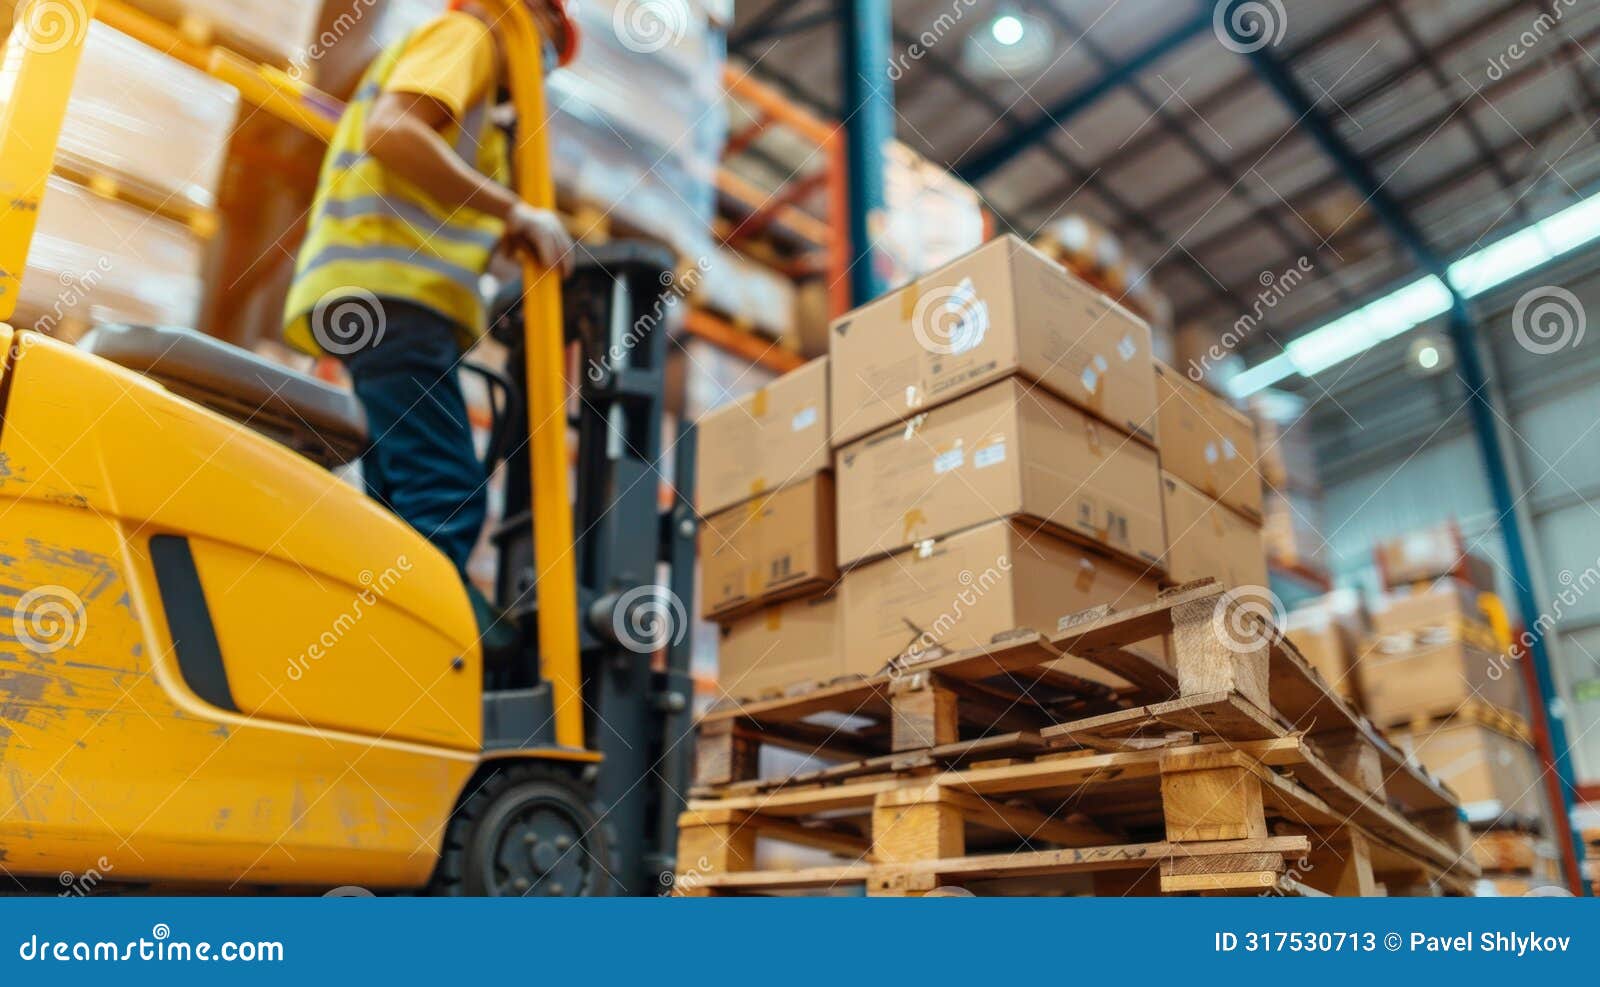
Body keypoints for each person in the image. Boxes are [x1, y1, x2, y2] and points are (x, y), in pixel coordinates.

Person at [283, 1, 577, 602]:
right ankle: (433, 636)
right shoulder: (469, 35)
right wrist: (511, 209)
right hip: (392, 298)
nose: (544, 67)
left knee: (398, 504)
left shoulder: (479, 116)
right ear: (526, 14)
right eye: (551, 41)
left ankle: (383, 634)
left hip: (380, 299)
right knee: (446, 493)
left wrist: (506, 231)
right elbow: (392, 132)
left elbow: (436, 204)